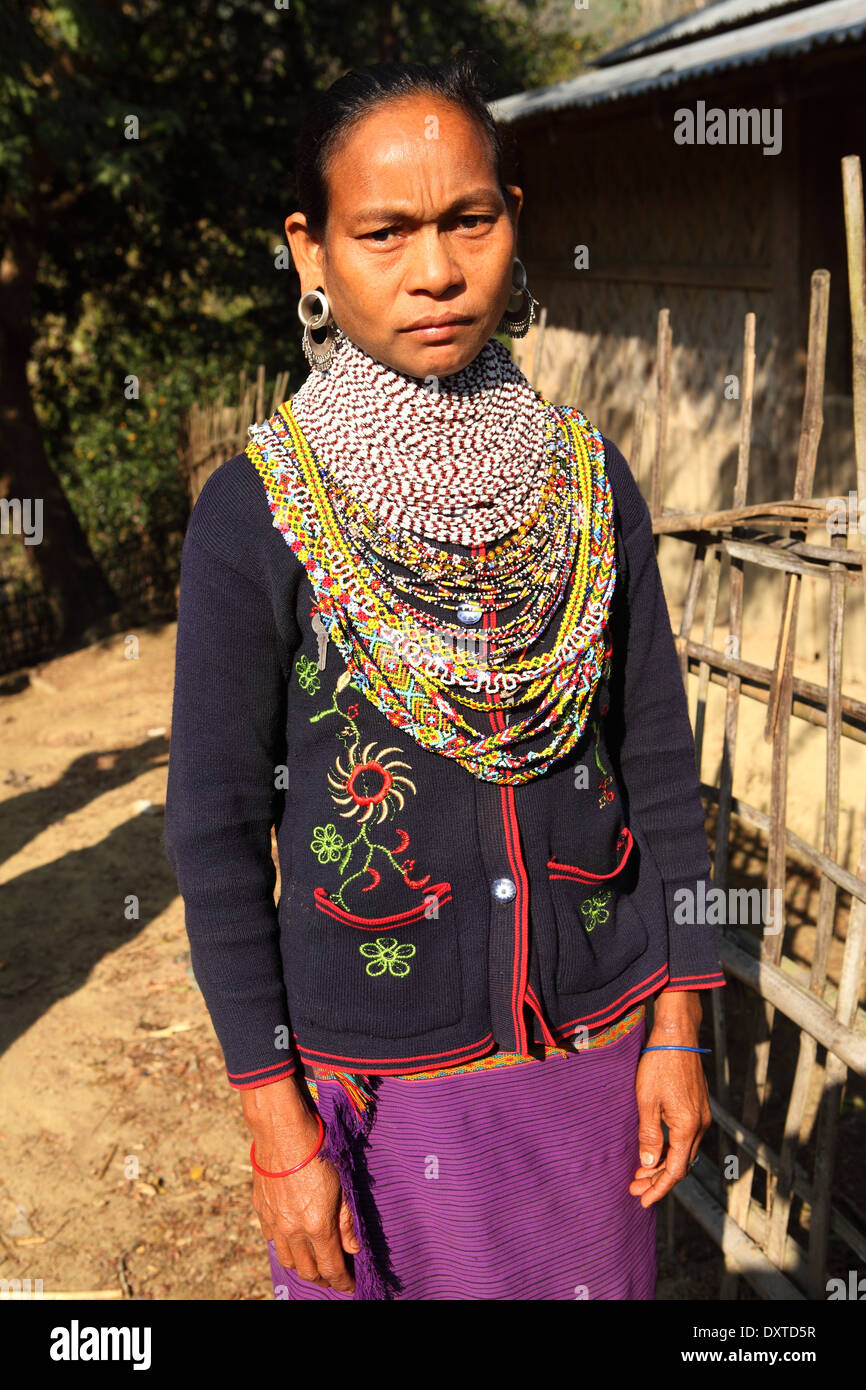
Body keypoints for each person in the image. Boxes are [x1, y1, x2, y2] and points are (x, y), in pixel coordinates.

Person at [163, 56, 726, 1301]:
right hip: (375, 1094)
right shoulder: (259, 512)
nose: (434, 269)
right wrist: (275, 1124)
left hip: (595, 1060)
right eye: (385, 232)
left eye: (468, 219)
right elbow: (212, 836)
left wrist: (678, 1021)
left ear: (512, 218)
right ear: (309, 251)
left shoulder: (583, 480)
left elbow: (658, 773)